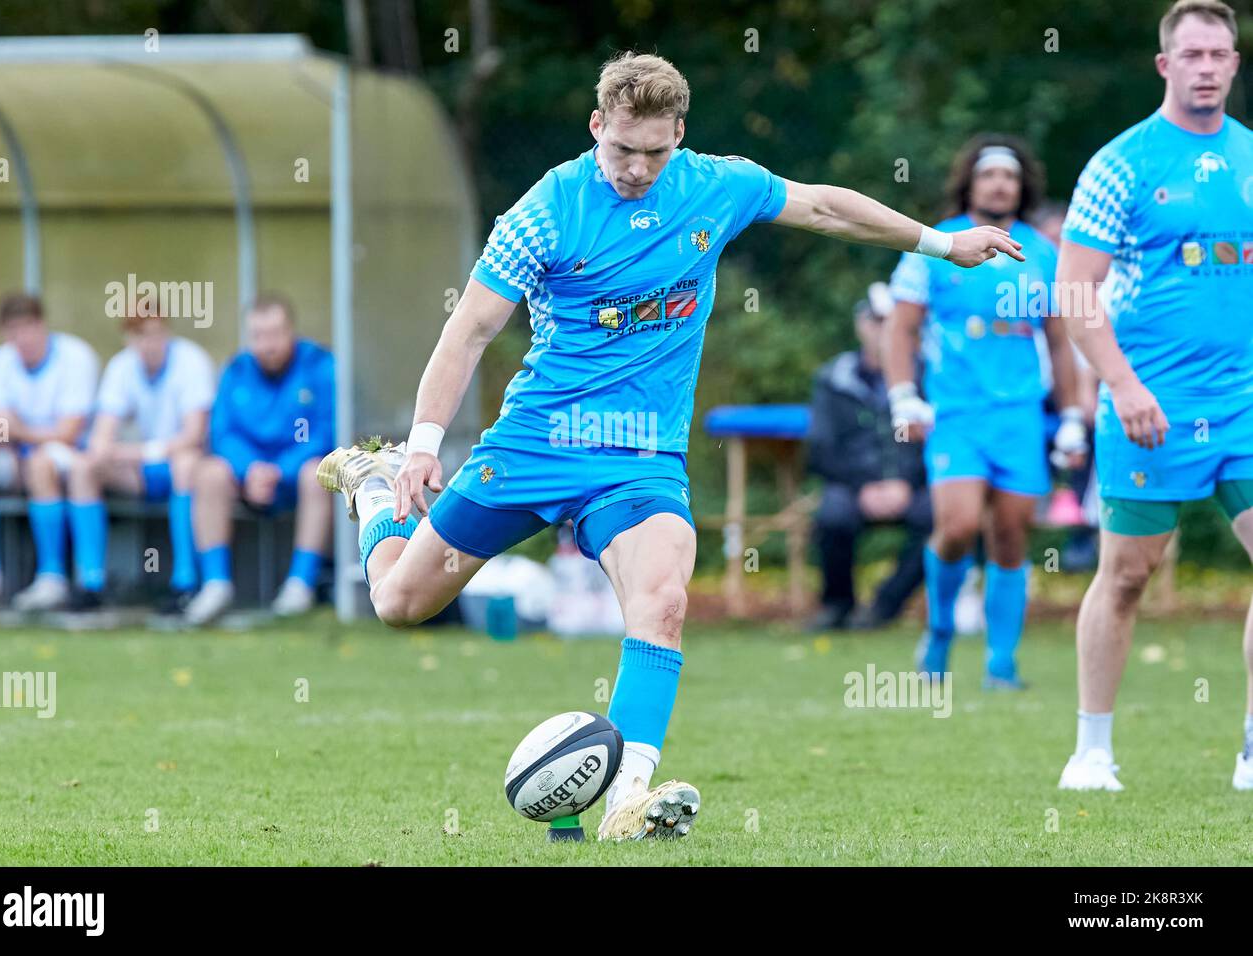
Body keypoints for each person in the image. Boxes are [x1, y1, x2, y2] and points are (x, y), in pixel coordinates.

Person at [315, 52, 1022, 841]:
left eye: (655, 151)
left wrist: (939, 243)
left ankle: (628, 799)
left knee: (663, 600)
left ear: (679, 135)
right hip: (535, 442)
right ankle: (372, 489)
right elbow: (470, 329)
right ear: (597, 127)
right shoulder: (546, 210)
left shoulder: (715, 184)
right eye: (622, 150)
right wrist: (417, 449)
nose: (638, 169)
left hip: (640, 460)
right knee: (401, 604)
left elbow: (824, 208)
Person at [1055, 0, 1253, 791]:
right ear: (1166, 66)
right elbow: (1074, 292)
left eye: (1221, 53)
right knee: (1128, 575)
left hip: (1244, 406)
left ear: (1236, 63)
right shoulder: (1123, 162)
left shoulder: (1250, 157)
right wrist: (1125, 387)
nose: (1208, 67)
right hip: (1150, 410)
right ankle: (1092, 751)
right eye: (1193, 54)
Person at [883, 134, 1088, 688]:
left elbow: (1059, 337)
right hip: (956, 413)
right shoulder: (935, 243)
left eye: (1011, 176)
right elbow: (900, 329)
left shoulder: (1042, 252)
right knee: (958, 526)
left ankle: (1002, 662)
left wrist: (1071, 414)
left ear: (1022, 187)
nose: (1000, 184)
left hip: (1019, 415)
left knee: (1012, 535)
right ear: (970, 181)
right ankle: (941, 634)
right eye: (990, 174)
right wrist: (904, 394)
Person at [181, 294, 335, 626]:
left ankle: (300, 584)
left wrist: (281, 470)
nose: (268, 345)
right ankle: (216, 584)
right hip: (248, 477)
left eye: (276, 333)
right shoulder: (235, 370)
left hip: (295, 475)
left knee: (317, 474)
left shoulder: (320, 366)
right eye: (259, 336)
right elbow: (222, 433)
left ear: (291, 330)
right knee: (208, 473)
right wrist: (249, 469)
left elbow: (326, 430)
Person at [0, 293, 99, 611]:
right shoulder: (3, 360)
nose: (22, 339)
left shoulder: (75, 356)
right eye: (14, 331)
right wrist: (9, 433)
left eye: (28, 328)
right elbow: (2, 426)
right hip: (18, 452)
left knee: (41, 462)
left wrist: (18, 432)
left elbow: (69, 432)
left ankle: (53, 577)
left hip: (68, 457)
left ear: (42, 325)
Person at [65, 305, 215, 611]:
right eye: (141, 336)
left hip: (182, 470)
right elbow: (101, 437)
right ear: (128, 339)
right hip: (141, 471)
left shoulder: (191, 361)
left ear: (167, 332)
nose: (150, 343)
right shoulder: (122, 367)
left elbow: (194, 435)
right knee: (84, 468)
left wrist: (134, 452)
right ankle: (91, 583)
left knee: (186, 462)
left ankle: (184, 583)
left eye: (156, 333)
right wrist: (107, 450)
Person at [806, 283, 931, 632]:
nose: (882, 329)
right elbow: (821, 448)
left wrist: (904, 482)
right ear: (861, 324)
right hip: (852, 486)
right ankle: (837, 605)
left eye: (890, 320)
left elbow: (939, 443)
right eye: (876, 320)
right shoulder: (833, 379)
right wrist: (865, 486)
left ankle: (884, 606)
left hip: (913, 485)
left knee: (946, 516)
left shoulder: (929, 376)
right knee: (833, 515)